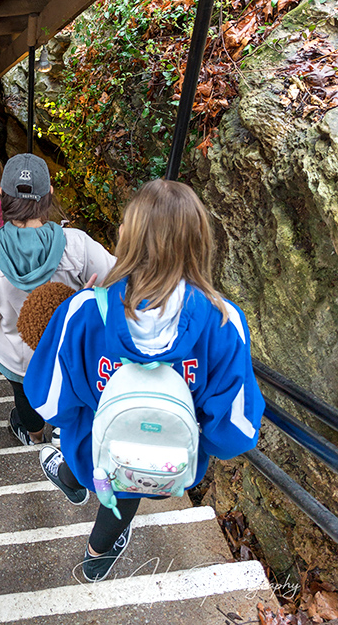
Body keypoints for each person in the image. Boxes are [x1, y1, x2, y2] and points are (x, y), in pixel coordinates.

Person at [23, 179, 265, 582]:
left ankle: (72, 478)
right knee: (129, 492)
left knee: (98, 467)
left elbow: (46, 399)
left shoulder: (83, 311)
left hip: (94, 450)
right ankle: (97, 557)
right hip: (168, 464)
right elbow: (236, 430)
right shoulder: (224, 321)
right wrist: (174, 432)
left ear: (127, 237)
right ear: (199, 242)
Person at [0, 153, 116, 447]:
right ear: (49, 194)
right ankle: (67, 431)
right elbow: (119, 285)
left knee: (24, 395)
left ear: (0, 195)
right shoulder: (77, 243)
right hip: (69, 352)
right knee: (72, 387)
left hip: (17, 353)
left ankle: (35, 437)